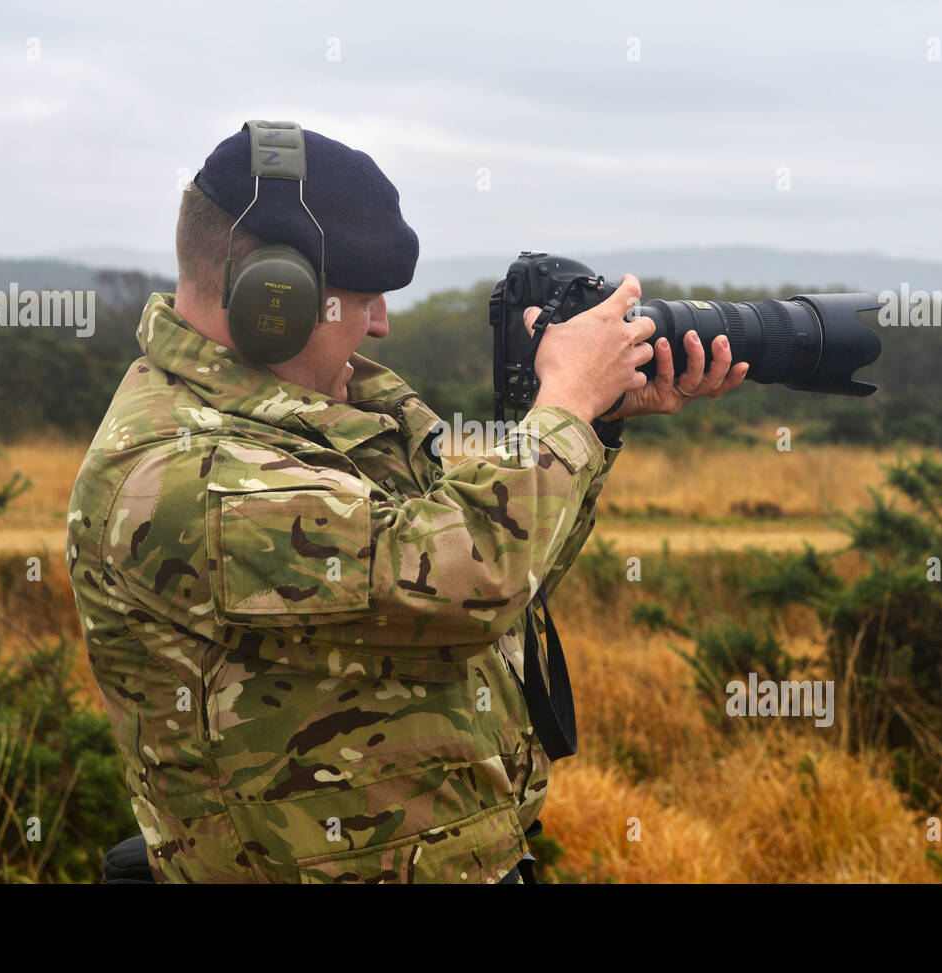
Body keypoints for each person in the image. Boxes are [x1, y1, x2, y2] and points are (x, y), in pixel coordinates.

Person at [67, 123, 747, 884]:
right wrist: (565, 407)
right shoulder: (184, 473)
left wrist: (595, 424)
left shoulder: (323, 414)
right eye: (362, 300)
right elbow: (464, 582)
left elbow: (505, 583)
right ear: (271, 301)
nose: (381, 323)